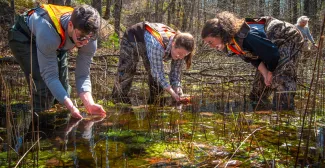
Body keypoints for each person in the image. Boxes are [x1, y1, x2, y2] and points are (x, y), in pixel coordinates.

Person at [8, 4, 106, 118]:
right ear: (70, 25)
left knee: (63, 89)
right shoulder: (49, 34)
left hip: (57, 40)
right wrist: (71, 107)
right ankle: (41, 126)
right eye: (81, 36)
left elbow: (83, 75)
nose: (85, 42)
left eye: (90, 37)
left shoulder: (89, 36)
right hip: (24, 36)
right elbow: (50, 76)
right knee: (43, 87)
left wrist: (89, 104)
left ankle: (61, 131)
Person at [201, 11, 304, 110]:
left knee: (281, 76)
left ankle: (284, 111)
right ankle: (260, 108)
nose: (211, 46)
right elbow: (253, 59)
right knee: (258, 89)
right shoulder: (233, 42)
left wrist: (271, 72)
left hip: (288, 37)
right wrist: (265, 73)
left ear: (220, 34)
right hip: (269, 47)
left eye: (211, 42)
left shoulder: (248, 36)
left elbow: (272, 54)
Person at [112, 22, 195, 104]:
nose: (180, 57)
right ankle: (116, 100)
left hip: (149, 43)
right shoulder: (157, 46)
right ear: (173, 44)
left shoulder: (181, 49)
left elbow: (175, 74)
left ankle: (155, 105)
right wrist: (172, 93)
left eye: (184, 55)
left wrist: (178, 90)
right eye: (179, 54)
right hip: (133, 38)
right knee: (127, 71)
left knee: (157, 85)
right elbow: (158, 73)